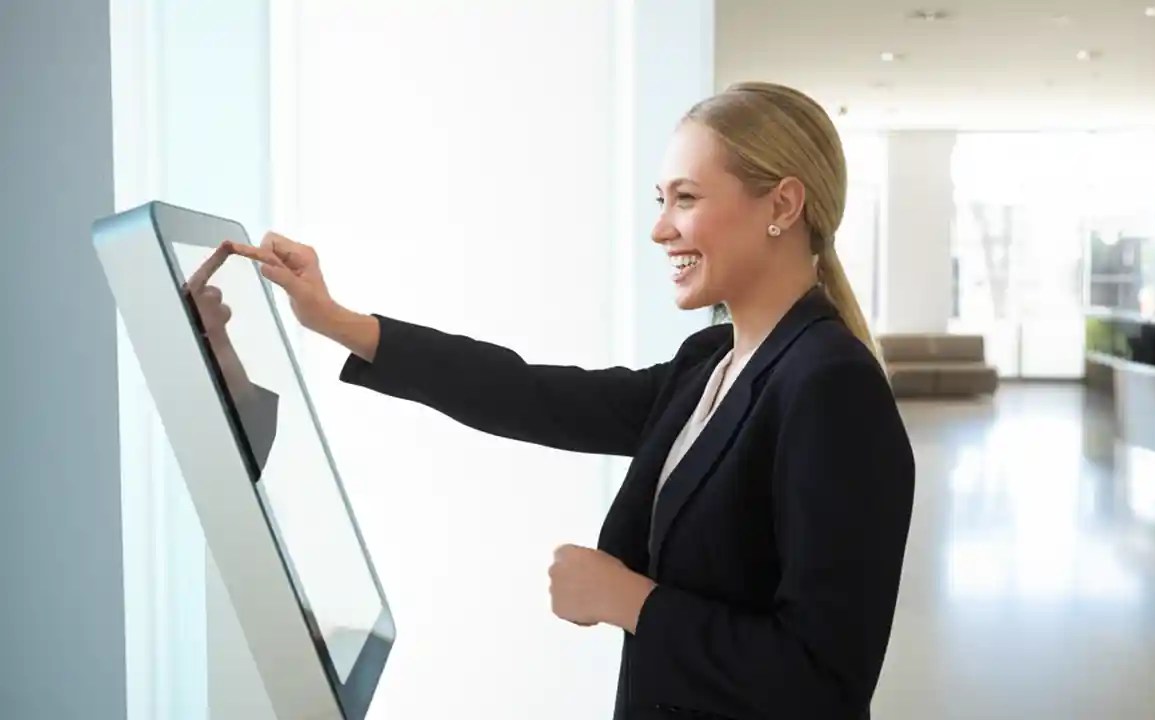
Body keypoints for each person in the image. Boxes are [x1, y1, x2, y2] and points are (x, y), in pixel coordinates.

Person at [230, 81, 915, 720]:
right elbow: (533, 395)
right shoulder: (712, 361)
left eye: (686, 198)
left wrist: (634, 602)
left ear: (783, 205)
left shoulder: (830, 386)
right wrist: (338, 321)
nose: (661, 229)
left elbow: (825, 678)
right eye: (660, 200)